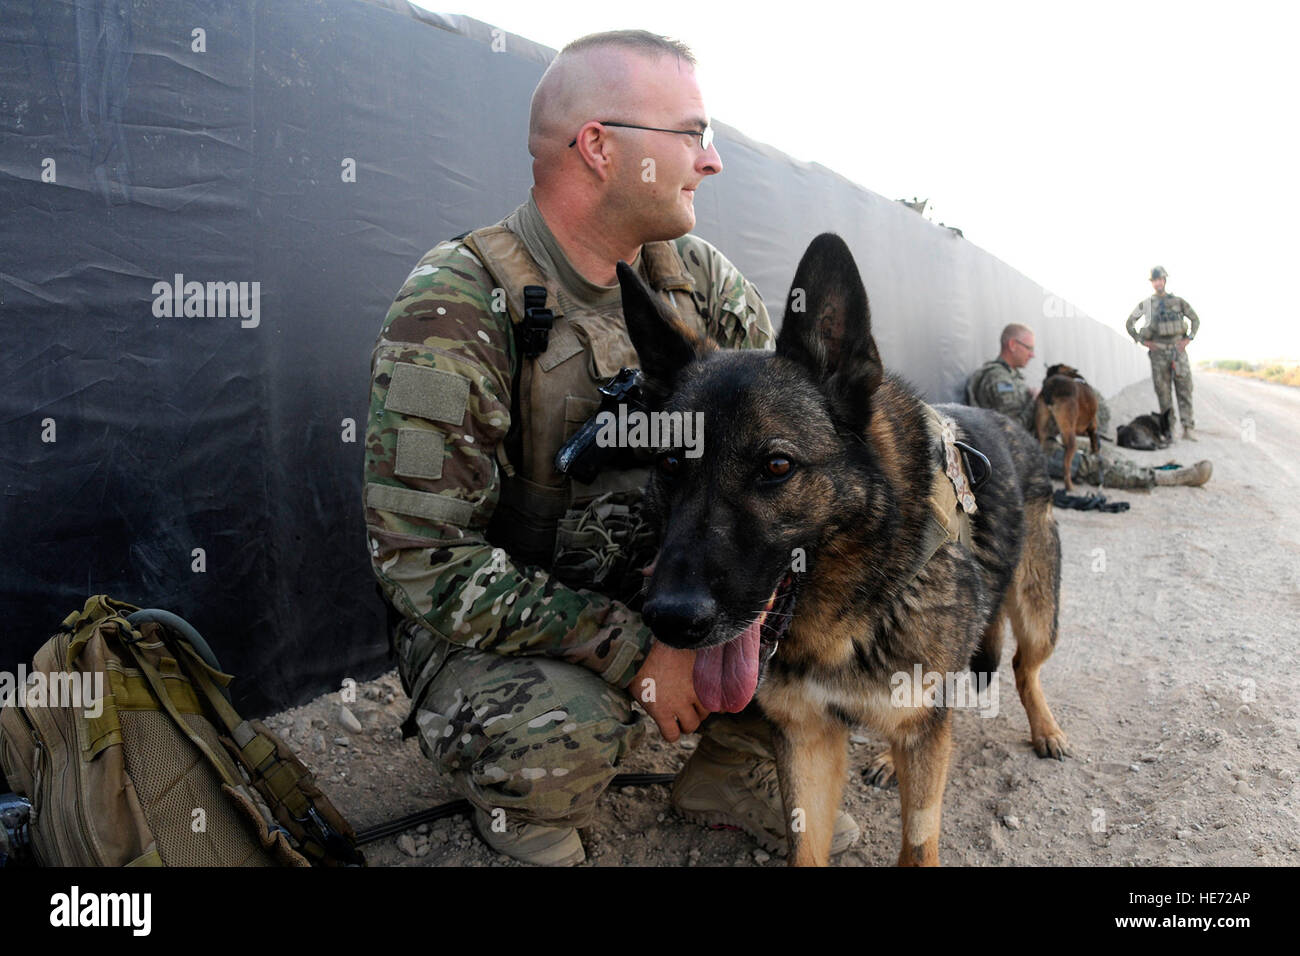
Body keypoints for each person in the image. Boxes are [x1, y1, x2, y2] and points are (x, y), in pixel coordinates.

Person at [362, 30, 858, 865]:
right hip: (506, 620)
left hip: (673, 582)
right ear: (597, 146)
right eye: (692, 134)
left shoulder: (700, 283)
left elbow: (785, 463)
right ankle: (526, 799)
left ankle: (729, 769)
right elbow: (422, 560)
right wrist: (636, 652)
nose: (712, 161)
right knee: (558, 738)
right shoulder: (457, 305)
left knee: (821, 600)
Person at [966, 323, 1211, 489]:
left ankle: (1152, 470)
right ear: (1012, 345)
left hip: (1044, 440)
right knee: (1091, 463)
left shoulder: (1011, 376)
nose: (1032, 355)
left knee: (1100, 448)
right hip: (1023, 453)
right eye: (1029, 348)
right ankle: (1165, 479)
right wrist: (1039, 400)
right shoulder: (997, 379)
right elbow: (1011, 431)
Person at [1125, 265, 1201, 441]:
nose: (1158, 283)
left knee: (1184, 389)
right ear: (1152, 283)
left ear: (1164, 281)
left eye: (1160, 280)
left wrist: (1188, 338)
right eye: (1154, 280)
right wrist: (1143, 341)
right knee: (1163, 392)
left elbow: (1195, 319)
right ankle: (1169, 429)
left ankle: (1188, 428)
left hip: (1177, 351)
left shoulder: (1178, 302)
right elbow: (1130, 323)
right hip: (1158, 353)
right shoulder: (1146, 305)